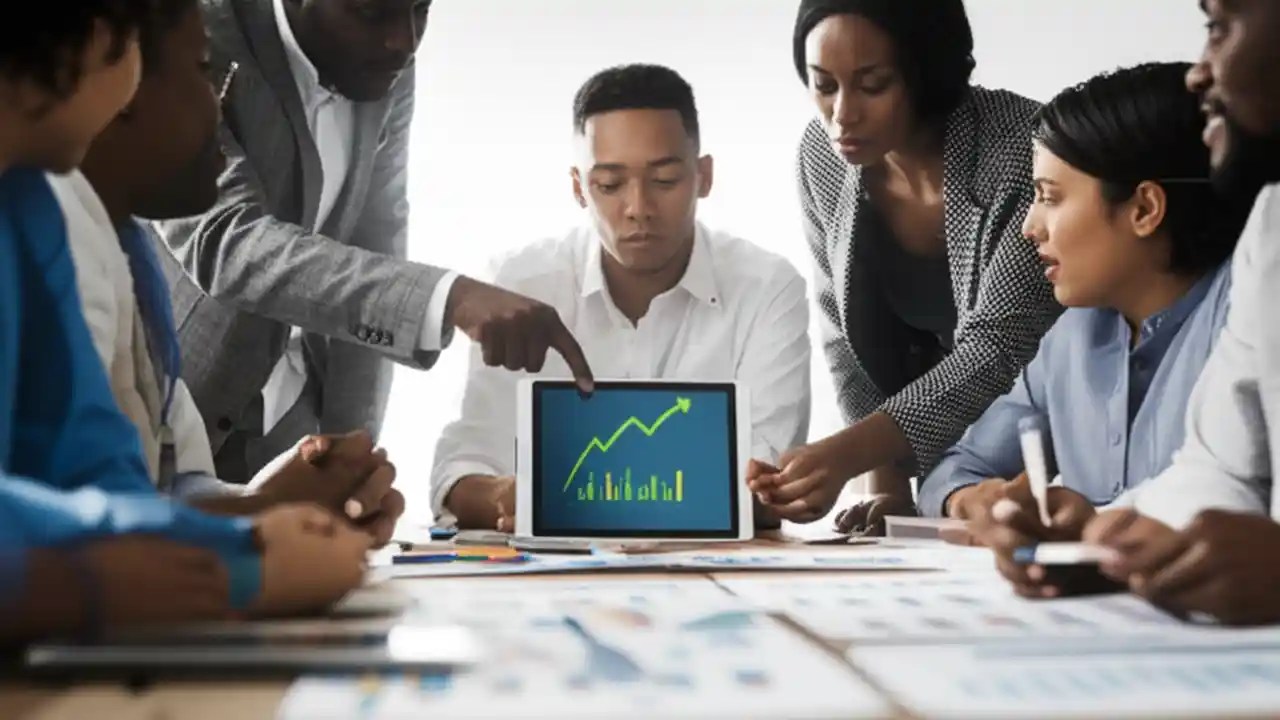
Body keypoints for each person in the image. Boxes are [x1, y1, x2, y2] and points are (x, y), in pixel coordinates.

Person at [0, 2, 366, 644]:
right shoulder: (45, 206)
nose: (219, 110)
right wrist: (230, 565)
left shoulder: (32, 204)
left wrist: (244, 528)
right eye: (204, 70)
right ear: (102, 38)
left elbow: (100, 478)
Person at [152, 0, 595, 485]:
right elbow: (226, 242)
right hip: (168, 420)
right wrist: (450, 298)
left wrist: (354, 453)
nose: (403, 42)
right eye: (372, 13)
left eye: (421, 10)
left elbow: (377, 236)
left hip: (295, 429)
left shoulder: (386, 67)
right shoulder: (191, 36)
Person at [51, 0, 403, 544]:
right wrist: (251, 531)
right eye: (206, 73)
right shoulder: (51, 245)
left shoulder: (131, 259)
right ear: (118, 81)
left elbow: (173, 489)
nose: (222, 112)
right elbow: (70, 529)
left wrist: (268, 505)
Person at [431, 64, 811, 531]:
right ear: (578, 187)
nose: (638, 209)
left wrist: (567, 496)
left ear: (704, 176)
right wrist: (501, 498)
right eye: (609, 185)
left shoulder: (768, 288)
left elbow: (767, 485)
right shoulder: (516, 285)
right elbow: (458, 474)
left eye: (665, 180)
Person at [747, 0, 1061, 533]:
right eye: (824, 85)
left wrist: (847, 452)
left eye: (872, 85)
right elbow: (842, 335)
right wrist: (885, 481)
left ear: (925, 72)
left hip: (1034, 447)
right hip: (938, 466)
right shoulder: (822, 156)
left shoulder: (1020, 147)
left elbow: (1001, 347)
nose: (842, 115)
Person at [920, 62, 1246, 537]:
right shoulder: (1072, 335)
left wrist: (1095, 524)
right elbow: (957, 466)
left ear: (1144, 209)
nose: (1030, 226)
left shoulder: (1247, 319)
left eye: (1049, 197)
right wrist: (972, 500)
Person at [1077, 0, 1280, 626]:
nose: (1198, 73)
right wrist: (1099, 539)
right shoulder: (1272, 225)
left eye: (1218, 27)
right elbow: (1222, 468)